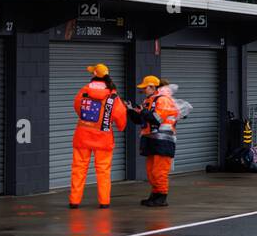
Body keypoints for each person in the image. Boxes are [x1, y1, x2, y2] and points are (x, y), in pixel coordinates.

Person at [68, 63, 128, 210]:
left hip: (82, 136)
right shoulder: (112, 97)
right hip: (103, 138)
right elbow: (120, 115)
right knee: (103, 171)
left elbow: (77, 107)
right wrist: (121, 126)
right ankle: (104, 202)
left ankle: (74, 201)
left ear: (94, 75)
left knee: (78, 169)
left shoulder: (84, 91)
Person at [127, 74, 180, 206]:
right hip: (151, 139)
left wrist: (142, 112)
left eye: (145, 88)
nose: (143, 90)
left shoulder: (163, 100)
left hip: (163, 140)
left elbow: (157, 118)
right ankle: (155, 195)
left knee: (159, 171)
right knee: (151, 172)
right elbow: (141, 120)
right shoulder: (148, 101)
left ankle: (161, 197)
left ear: (152, 87)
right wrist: (131, 111)